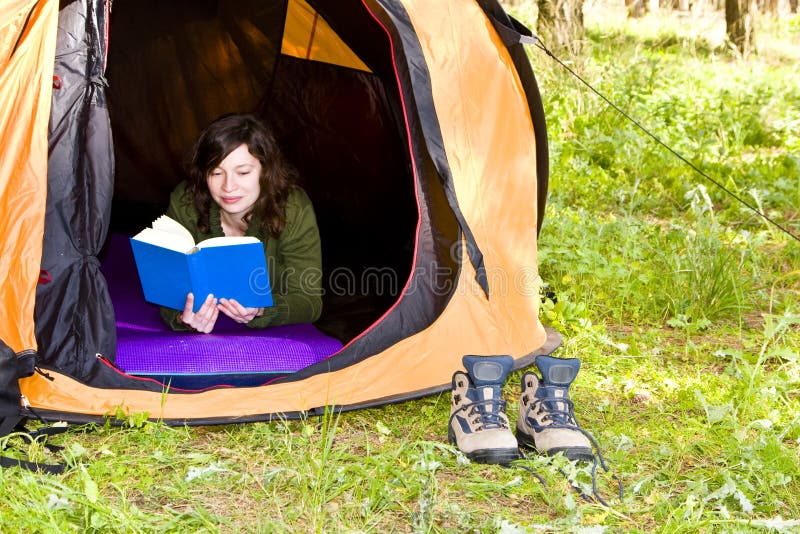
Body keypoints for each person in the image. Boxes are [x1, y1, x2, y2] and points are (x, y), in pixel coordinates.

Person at [159, 114, 322, 333]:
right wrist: (182, 316)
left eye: (243, 172)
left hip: (271, 340)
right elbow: (166, 286)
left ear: (266, 171)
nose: (228, 186)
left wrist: (263, 310)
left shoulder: (293, 209)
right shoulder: (186, 202)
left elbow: (309, 302)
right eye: (216, 172)